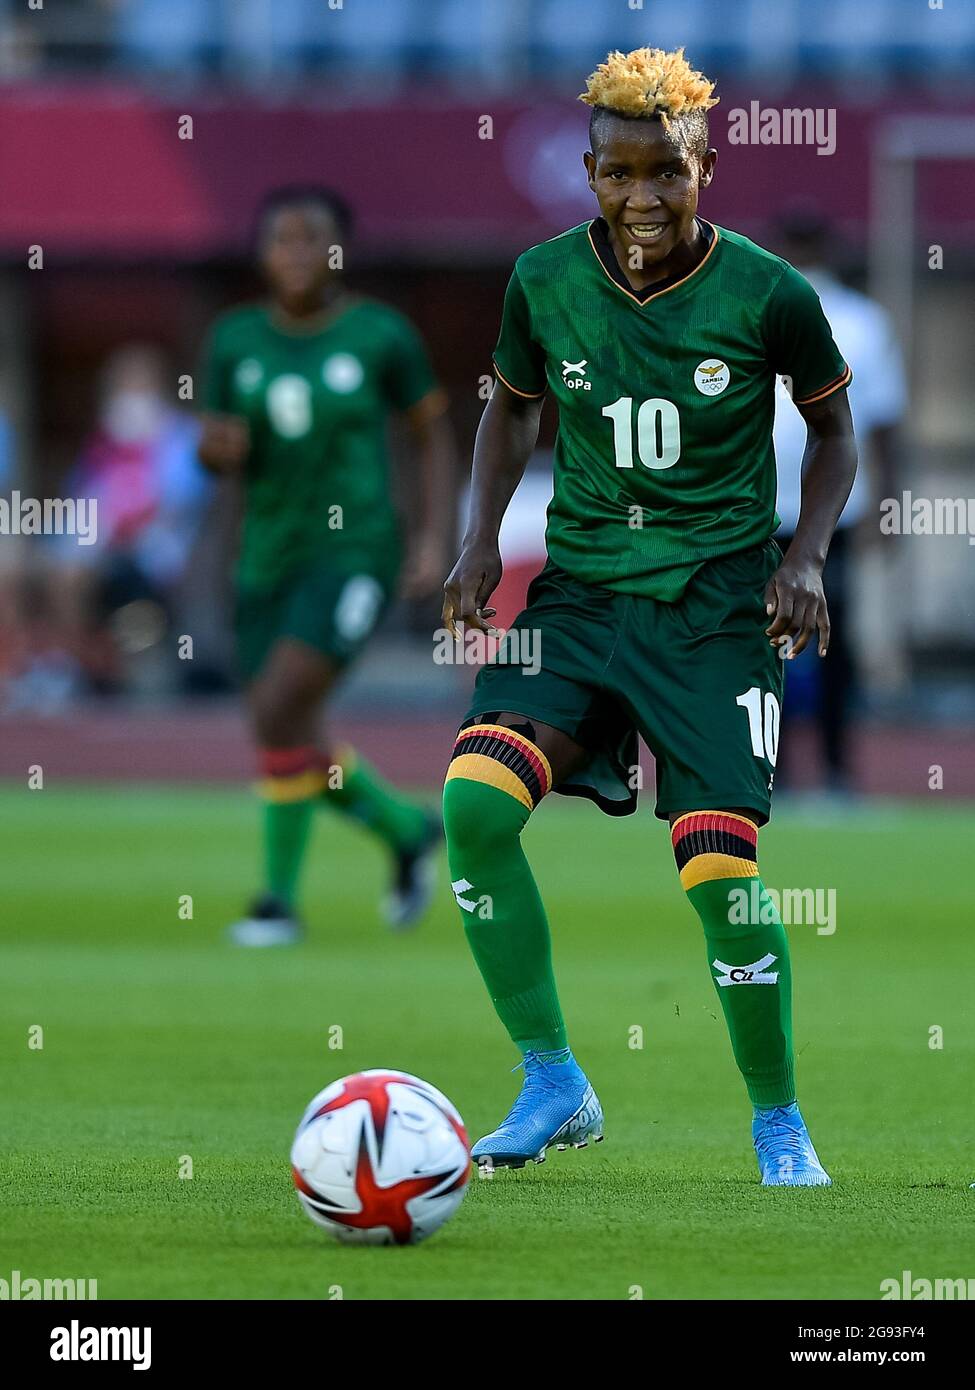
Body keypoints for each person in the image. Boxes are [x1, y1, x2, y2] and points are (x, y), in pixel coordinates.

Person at [441, 48, 857, 1184]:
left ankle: (779, 1124)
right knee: (474, 805)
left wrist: (807, 556)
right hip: (580, 596)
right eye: (620, 172)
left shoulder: (768, 292)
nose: (642, 195)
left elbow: (833, 430)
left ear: (704, 168)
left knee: (718, 869)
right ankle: (552, 1078)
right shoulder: (542, 280)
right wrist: (479, 539)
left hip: (715, 607)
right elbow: (508, 411)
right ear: (588, 173)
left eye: (666, 171)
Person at [199, 186, 453, 946]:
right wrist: (212, 452)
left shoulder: (379, 334)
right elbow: (215, 449)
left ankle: (276, 903)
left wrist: (434, 537)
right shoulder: (234, 340)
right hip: (264, 558)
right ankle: (406, 829)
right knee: (285, 727)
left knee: (281, 707)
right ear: (262, 253)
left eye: (313, 238)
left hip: (354, 551)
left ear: (341, 250)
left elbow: (431, 434)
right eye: (282, 239)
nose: (297, 254)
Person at [771, 207, 906, 795]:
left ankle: (826, 767)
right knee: (786, 639)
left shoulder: (859, 321)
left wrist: (888, 503)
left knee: (822, 638)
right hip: (774, 506)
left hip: (823, 508)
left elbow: (884, 422)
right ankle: (793, 768)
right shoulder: (758, 309)